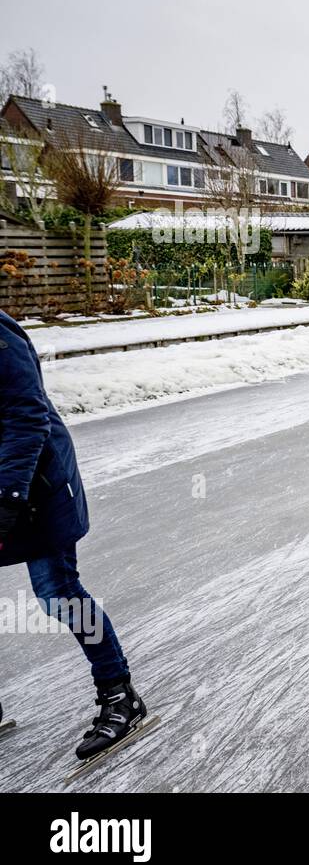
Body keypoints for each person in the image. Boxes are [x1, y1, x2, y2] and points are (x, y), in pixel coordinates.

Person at [0, 309, 148, 761]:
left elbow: (26, 417)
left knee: (57, 592)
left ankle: (120, 695)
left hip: (38, 486)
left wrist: (7, 498)